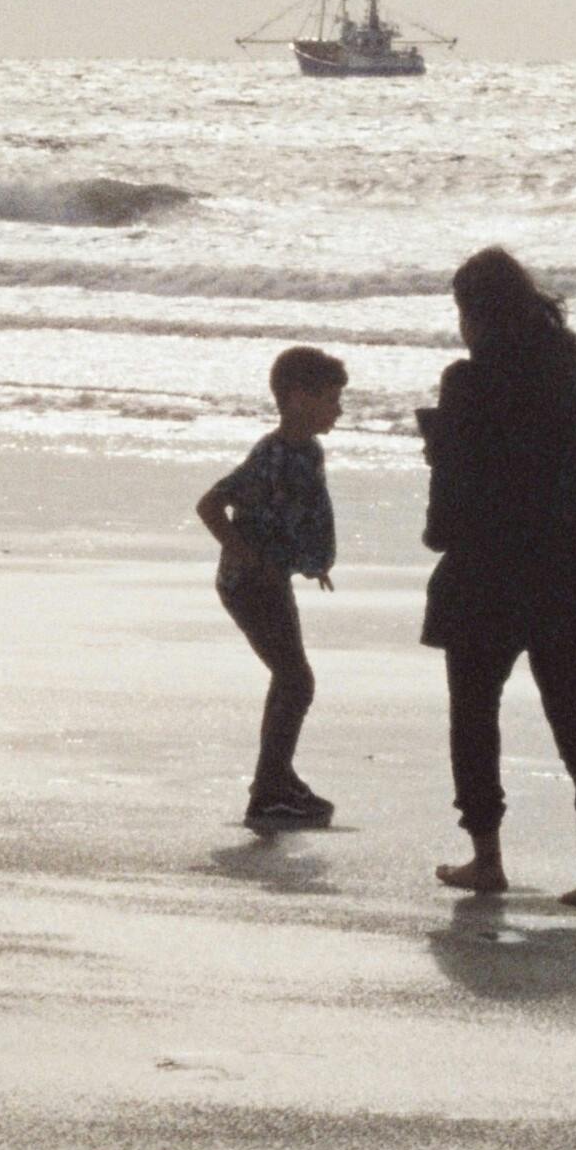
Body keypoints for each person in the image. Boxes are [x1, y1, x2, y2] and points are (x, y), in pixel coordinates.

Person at [420, 247, 576, 917]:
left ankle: (487, 859)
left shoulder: (467, 383)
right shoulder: (568, 372)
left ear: (475, 313)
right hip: (564, 569)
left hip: (486, 570)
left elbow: (455, 480)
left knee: (475, 718)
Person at [195, 344, 348, 828]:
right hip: (249, 583)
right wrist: (250, 558)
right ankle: (269, 789)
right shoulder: (271, 455)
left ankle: (277, 780)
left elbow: (300, 510)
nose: (338, 410)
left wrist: (312, 561)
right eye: (330, 399)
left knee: (291, 677)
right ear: (298, 398)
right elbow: (210, 506)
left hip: (272, 579)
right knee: (295, 679)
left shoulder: (308, 451)